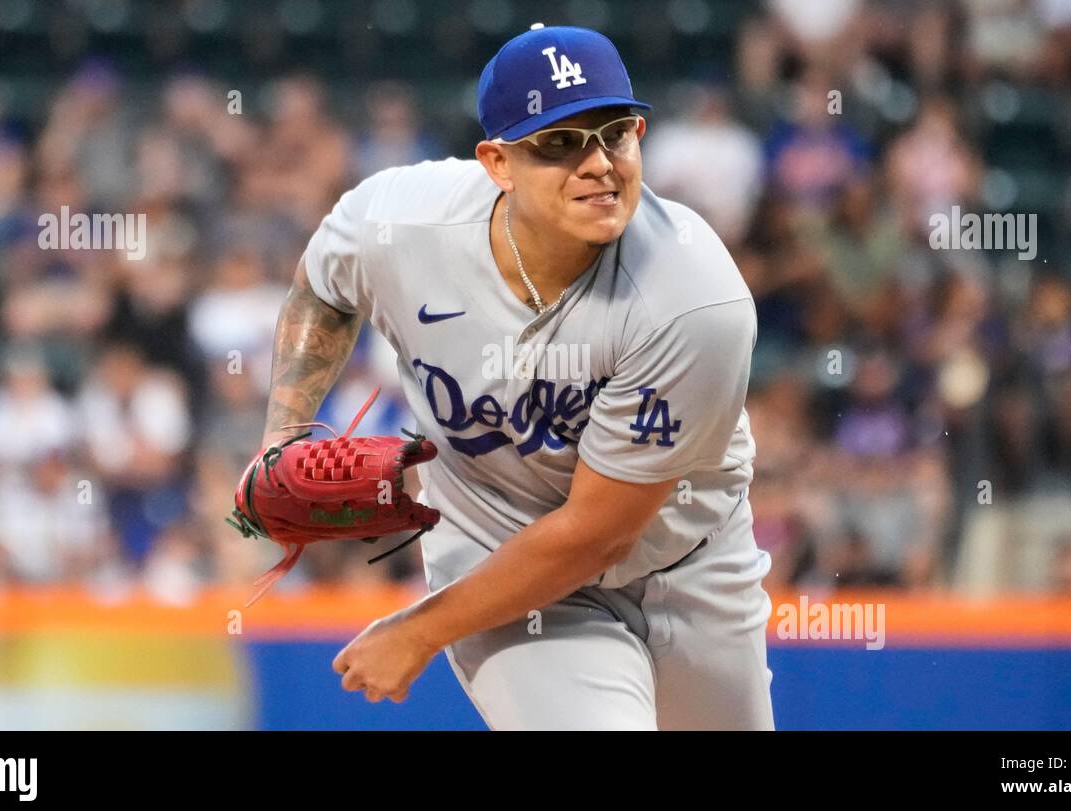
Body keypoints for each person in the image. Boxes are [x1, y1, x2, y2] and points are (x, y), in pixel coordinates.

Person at [260, 24, 772, 730]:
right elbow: (324, 285)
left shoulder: (692, 298)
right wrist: (280, 438)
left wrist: (416, 631)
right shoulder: (403, 224)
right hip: (501, 564)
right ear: (497, 162)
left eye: (613, 133)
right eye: (559, 143)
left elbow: (597, 535)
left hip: (691, 561)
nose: (596, 163)